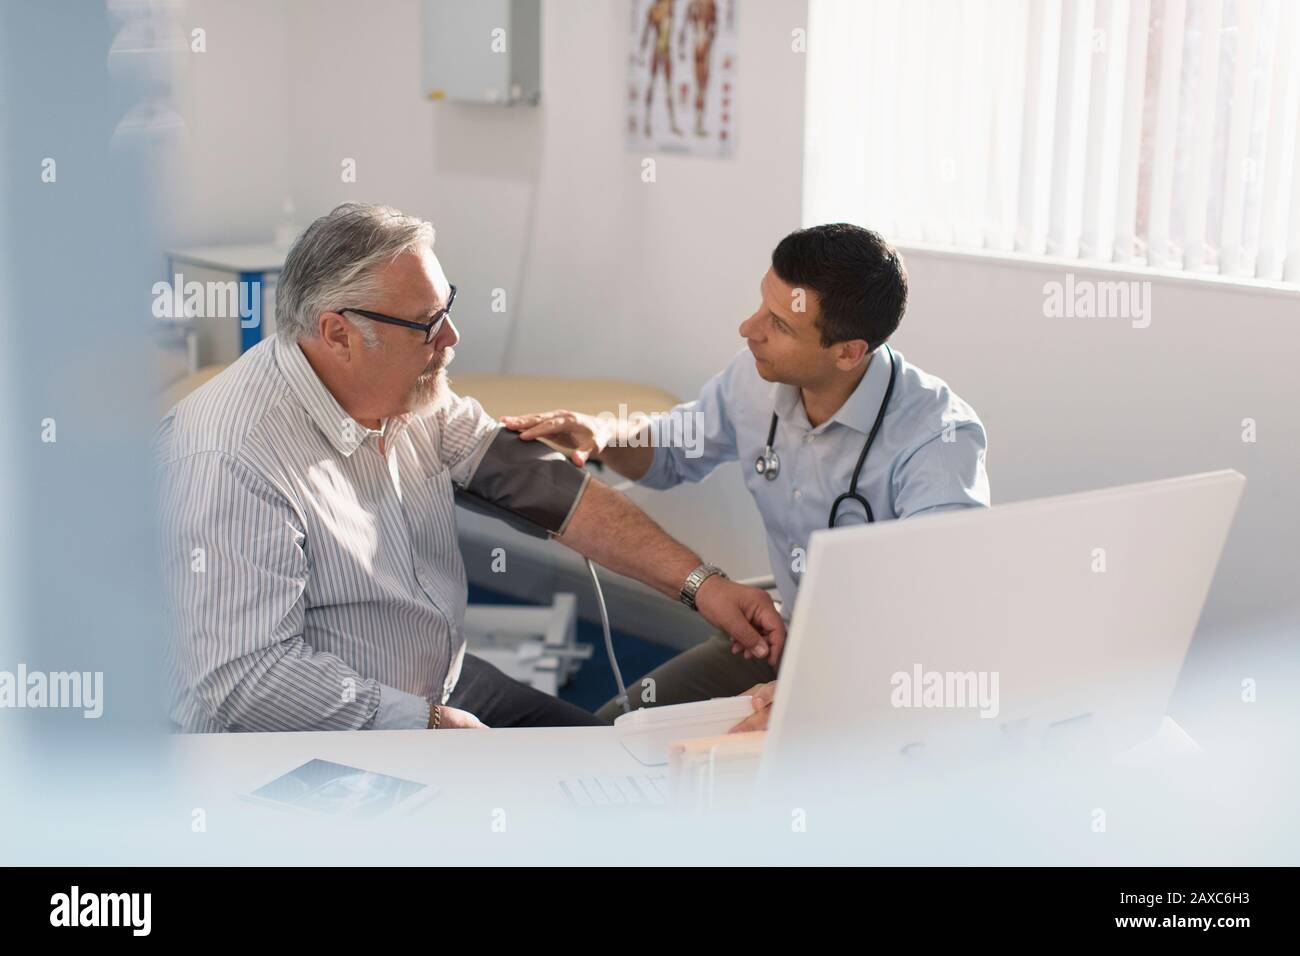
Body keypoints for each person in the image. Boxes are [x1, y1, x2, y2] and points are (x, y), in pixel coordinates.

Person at [157, 202, 784, 733]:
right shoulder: (232, 459)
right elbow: (245, 681)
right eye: (426, 324)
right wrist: (423, 724)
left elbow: (547, 488)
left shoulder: (409, 395)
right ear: (339, 333)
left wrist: (702, 584)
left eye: (446, 307)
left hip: (442, 683)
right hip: (312, 735)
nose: (451, 337)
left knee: (601, 759)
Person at [503, 223, 990, 731]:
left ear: (848, 352)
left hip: (882, 673)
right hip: (783, 639)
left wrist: (815, 693)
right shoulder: (755, 379)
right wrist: (604, 433)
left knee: (740, 764)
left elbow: (940, 605)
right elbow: (670, 452)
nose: (748, 328)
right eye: (762, 304)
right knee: (609, 735)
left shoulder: (938, 439)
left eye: (779, 324)